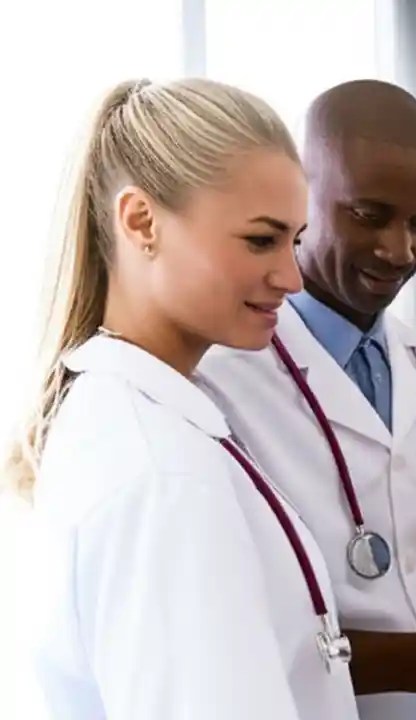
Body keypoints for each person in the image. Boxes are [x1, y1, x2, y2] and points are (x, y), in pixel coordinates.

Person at [196, 80, 416, 720]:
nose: (402, 250)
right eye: (370, 215)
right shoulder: (219, 376)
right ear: (302, 195)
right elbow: (230, 633)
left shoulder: (415, 356)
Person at [13, 78, 358, 719]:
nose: (291, 276)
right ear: (141, 221)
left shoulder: (139, 423)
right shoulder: (160, 469)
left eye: (295, 241)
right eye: (261, 240)